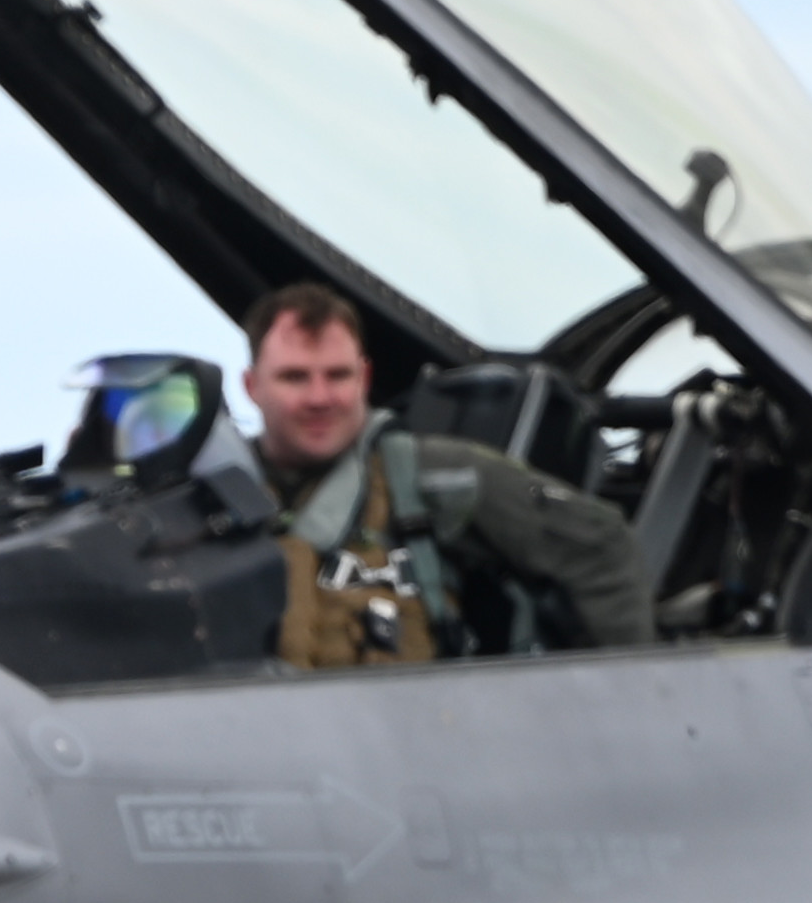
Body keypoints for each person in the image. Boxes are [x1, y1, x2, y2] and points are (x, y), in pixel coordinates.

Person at [239, 282, 651, 665]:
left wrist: (626, 701)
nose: (319, 398)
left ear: (364, 378)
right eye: (294, 377)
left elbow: (601, 545)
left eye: (337, 375)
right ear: (252, 386)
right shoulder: (206, 495)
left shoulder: (437, 475)